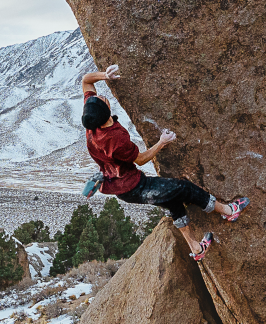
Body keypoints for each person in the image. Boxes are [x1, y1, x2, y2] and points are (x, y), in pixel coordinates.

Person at [78, 60, 245, 262]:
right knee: (184, 188)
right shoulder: (115, 139)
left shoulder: (91, 119)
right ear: (106, 115)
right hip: (134, 187)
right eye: (102, 99)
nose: (101, 96)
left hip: (120, 184)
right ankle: (228, 211)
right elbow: (141, 159)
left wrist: (105, 75)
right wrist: (162, 142)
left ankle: (196, 248)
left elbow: (86, 80)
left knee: (173, 201)